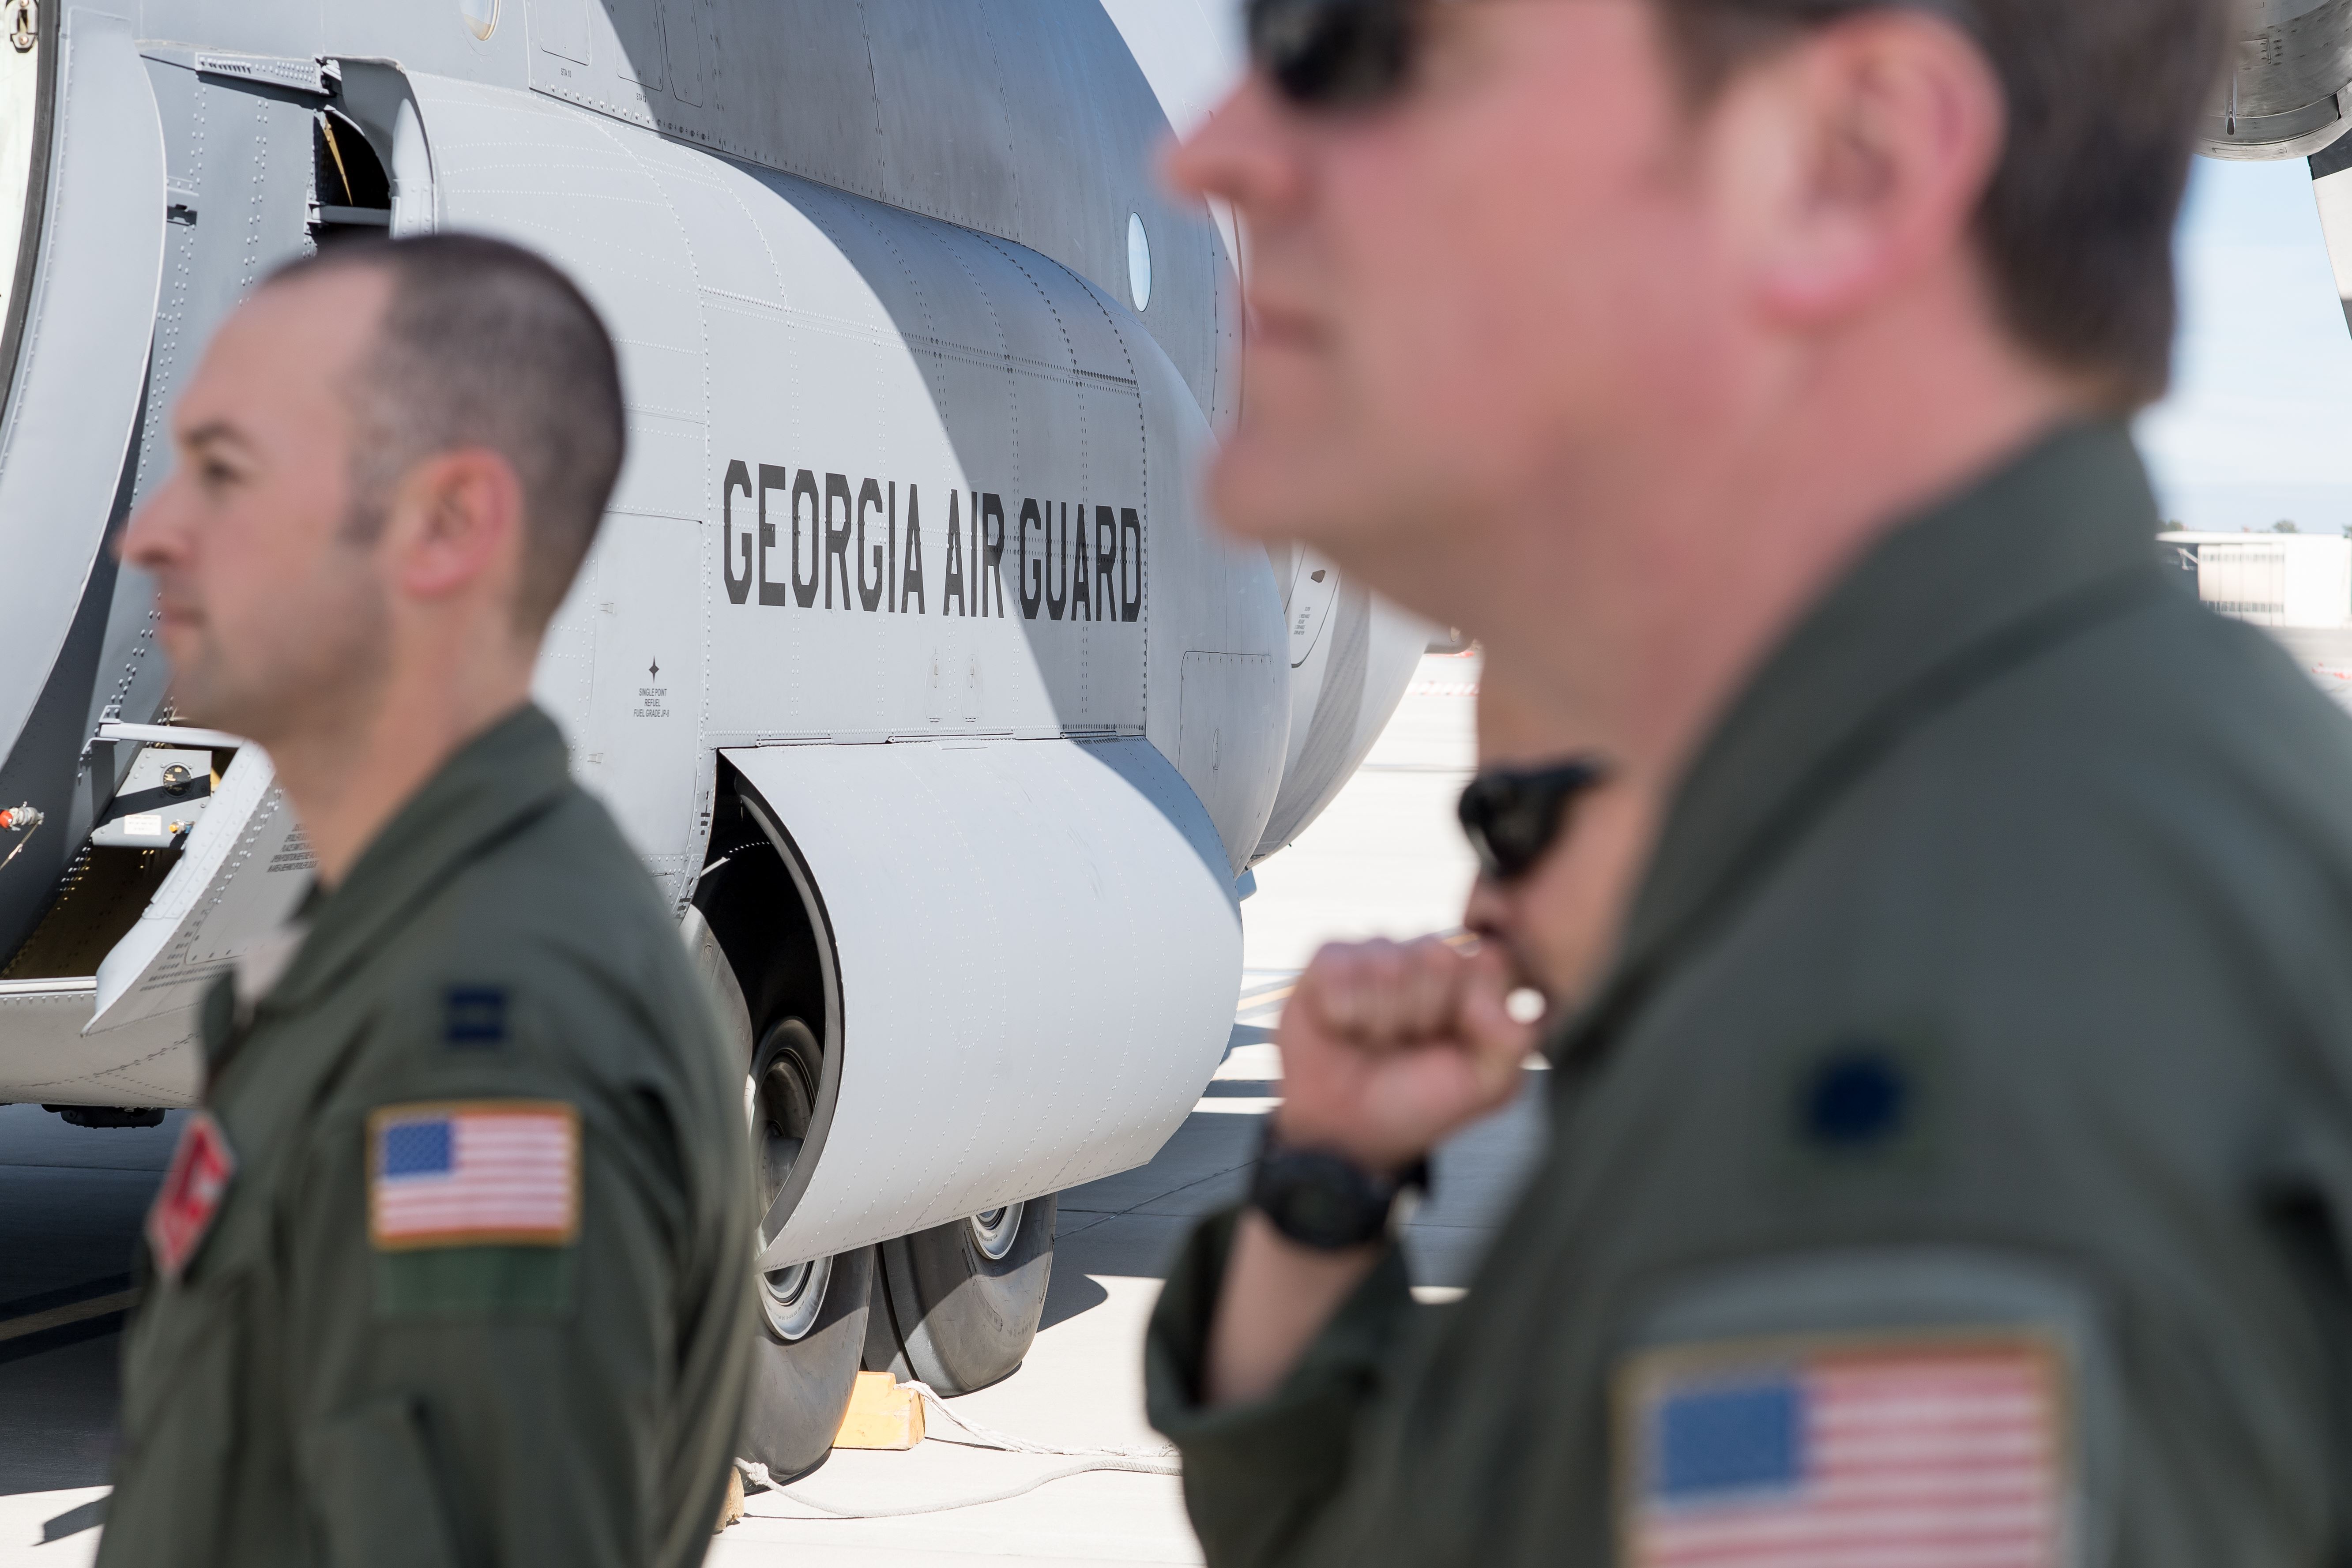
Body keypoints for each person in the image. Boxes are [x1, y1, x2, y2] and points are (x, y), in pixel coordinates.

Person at [1140, 0, 2352, 1561]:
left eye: (1366, 52)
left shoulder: (1918, 1071)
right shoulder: (1967, 868)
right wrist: (1324, 1194)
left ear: (1852, 165)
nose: (1217, 154)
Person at [104, 234, 753, 1568]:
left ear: (449, 526)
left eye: (225, 472)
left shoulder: (492, 1037)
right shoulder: (393, 964)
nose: (152, 532)